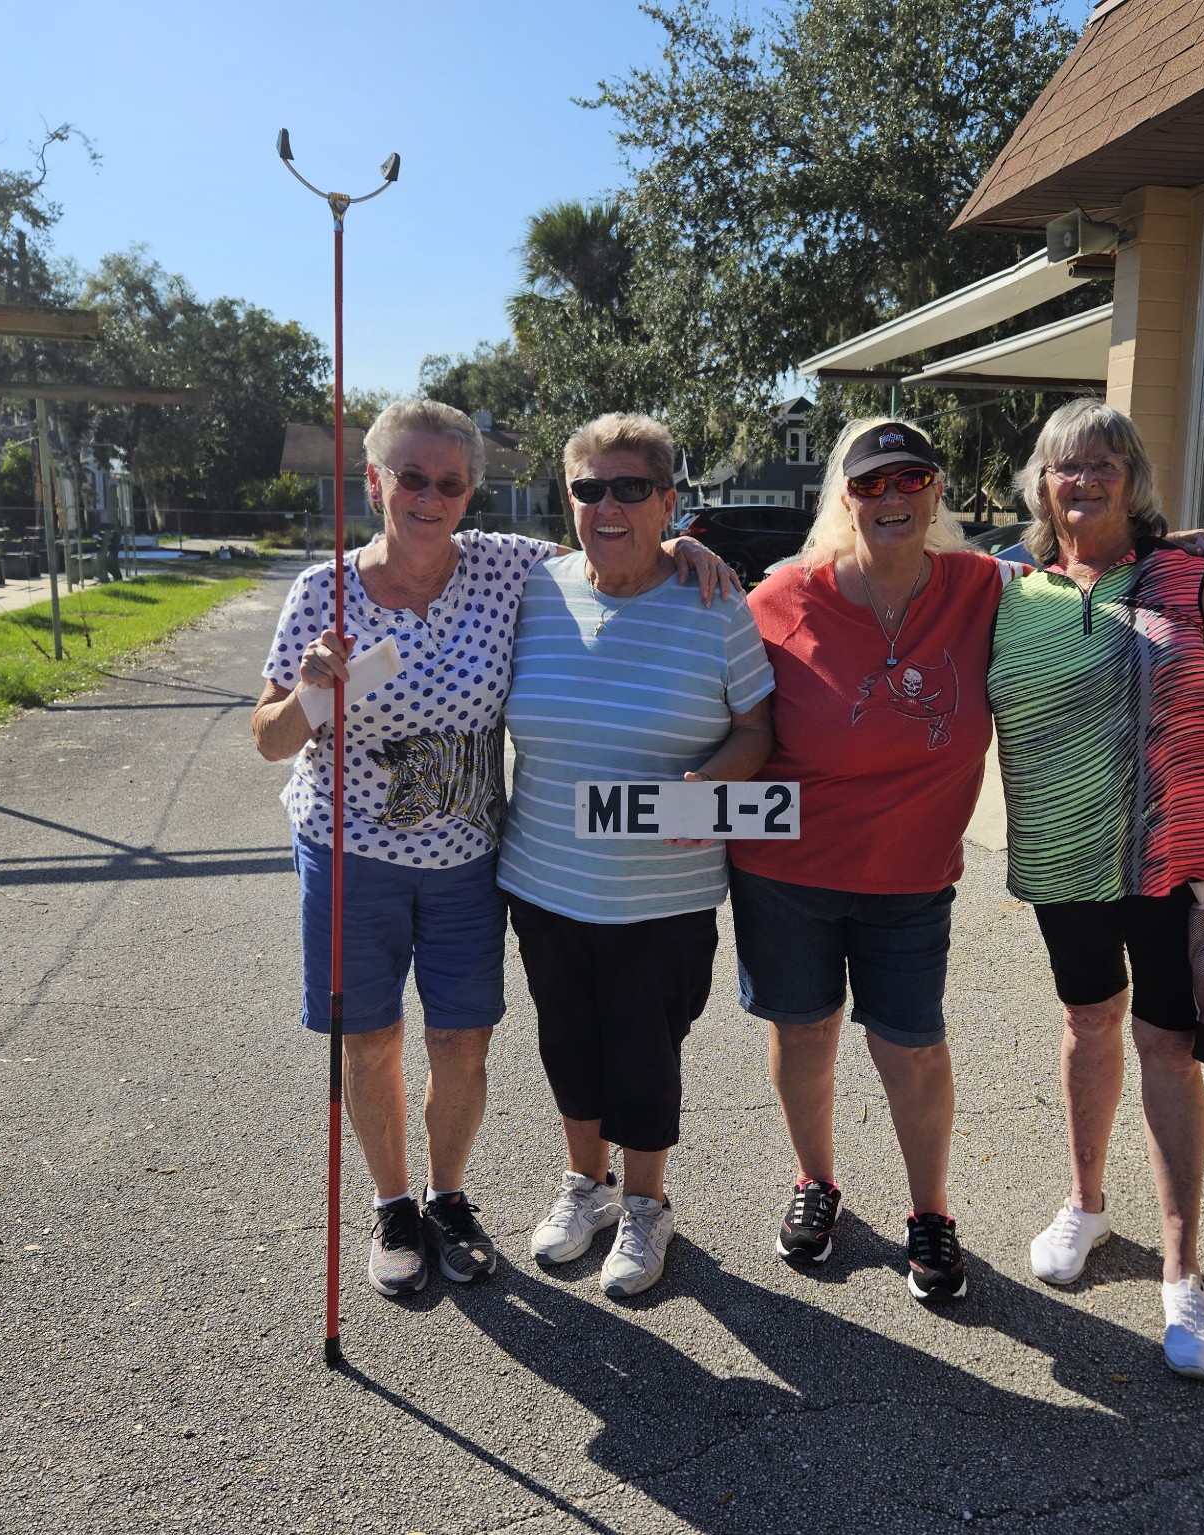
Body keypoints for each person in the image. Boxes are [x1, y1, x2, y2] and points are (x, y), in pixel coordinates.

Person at [249, 399, 736, 1301]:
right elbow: (271, 739)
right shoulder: (322, 591)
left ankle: (447, 1198)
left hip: (471, 858)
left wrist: (684, 550)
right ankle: (393, 1204)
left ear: (472, 492)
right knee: (369, 1038)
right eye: (411, 478)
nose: (429, 497)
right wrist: (315, 690)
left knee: (462, 1041)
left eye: (449, 482)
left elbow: (615, 551)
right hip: (348, 854)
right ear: (375, 482)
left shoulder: (512, 571)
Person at [987, 397, 1204, 1380]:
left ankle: (1180, 1271)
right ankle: (1083, 1207)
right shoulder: (1011, 586)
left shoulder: (1188, 575)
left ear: (1133, 479)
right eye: (1061, 467)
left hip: (1173, 856)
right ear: (1038, 485)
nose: (1081, 481)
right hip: (1061, 857)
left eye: (1101, 464)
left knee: (1166, 1046)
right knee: (1086, 1026)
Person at [731, 419, 1013, 1303]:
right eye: (869, 485)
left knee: (913, 1047)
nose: (890, 498)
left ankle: (930, 1213)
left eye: (910, 480)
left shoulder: (986, 588)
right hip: (785, 871)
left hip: (912, 879)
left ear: (935, 494)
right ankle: (816, 1182)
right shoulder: (778, 599)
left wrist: (1177, 560)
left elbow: (1094, 578)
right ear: (842, 498)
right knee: (802, 1030)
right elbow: (720, 710)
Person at [499, 412, 774, 1299]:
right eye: (589, 488)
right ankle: (587, 1184)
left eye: (630, 489)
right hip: (543, 877)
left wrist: (711, 791)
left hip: (664, 889)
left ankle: (648, 1204)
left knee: (646, 1050)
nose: (607, 506)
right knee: (568, 1042)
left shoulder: (713, 600)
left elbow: (756, 729)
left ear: (668, 501)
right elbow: (424, 530)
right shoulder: (532, 590)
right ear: (567, 497)